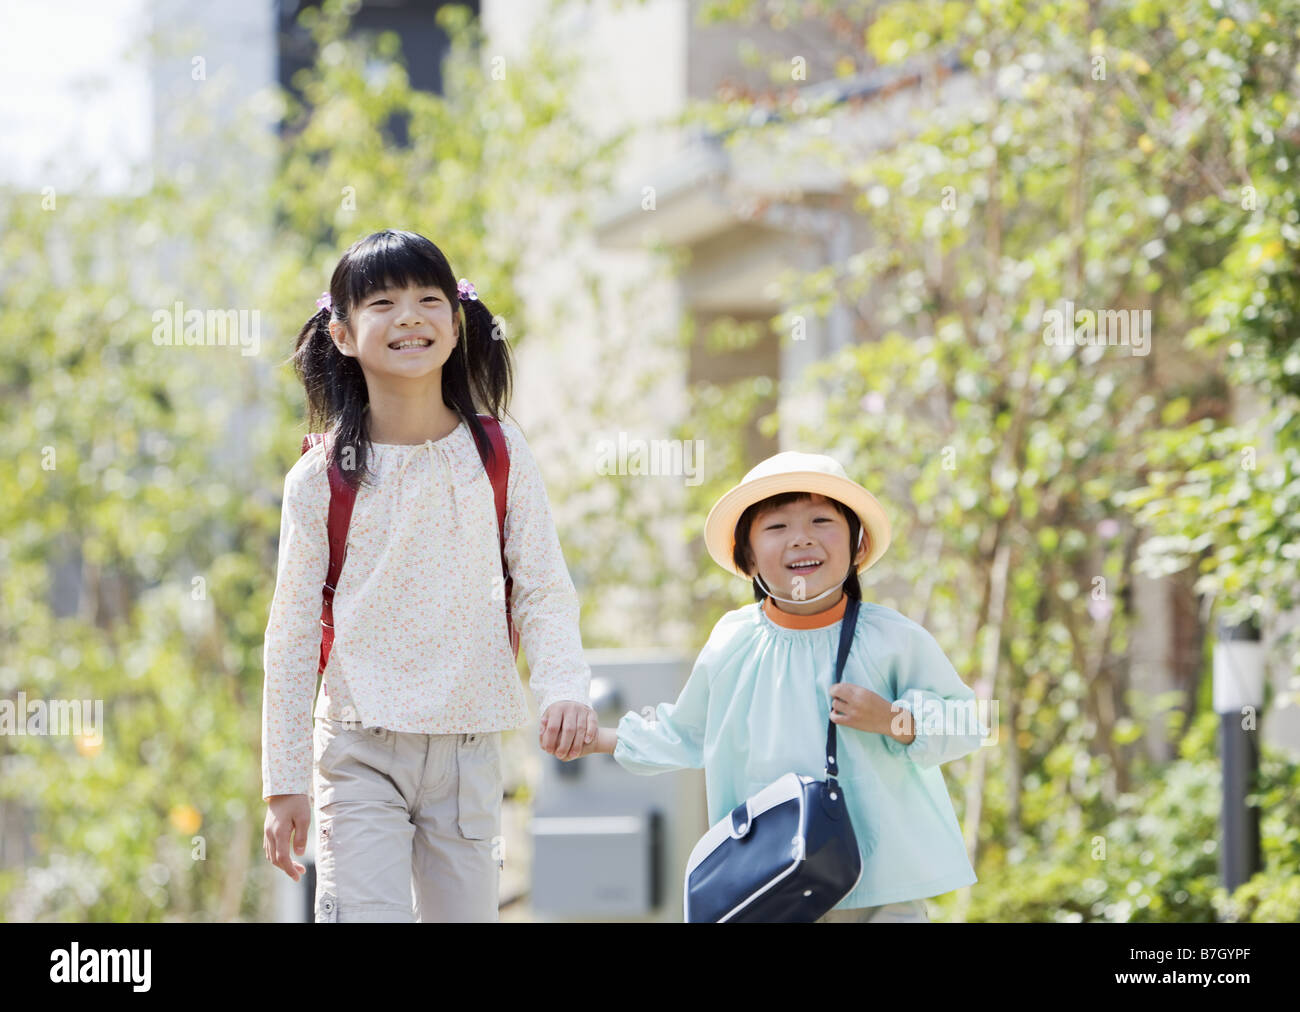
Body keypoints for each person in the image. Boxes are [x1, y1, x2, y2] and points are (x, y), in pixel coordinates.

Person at [260, 229, 595, 922]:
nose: (409, 315)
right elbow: (292, 632)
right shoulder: (319, 479)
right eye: (382, 301)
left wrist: (565, 685)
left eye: (428, 298)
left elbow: (541, 588)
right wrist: (282, 782)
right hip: (358, 747)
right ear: (344, 334)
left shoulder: (500, 454)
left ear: (455, 322)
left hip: (469, 750)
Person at [570, 451, 986, 922]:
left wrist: (894, 719)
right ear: (747, 558)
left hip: (881, 884)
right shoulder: (734, 642)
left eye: (821, 520)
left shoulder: (891, 638)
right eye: (777, 527)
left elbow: (966, 720)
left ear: (859, 546)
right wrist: (601, 740)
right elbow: (687, 731)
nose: (801, 538)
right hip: (774, 884)